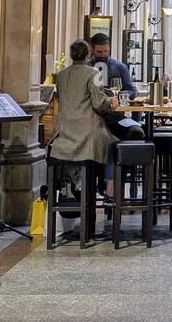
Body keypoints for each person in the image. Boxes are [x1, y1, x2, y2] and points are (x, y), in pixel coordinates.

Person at [50, 39, 120, 198]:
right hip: (87, 135)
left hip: (63, 134)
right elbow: (99, 104)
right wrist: (111, 101)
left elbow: (61, 98)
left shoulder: (61, 75)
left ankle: (75, 180)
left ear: (71, 55)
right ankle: (107, 186)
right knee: (115, 144)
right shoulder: (95, 73)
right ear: (89, 54)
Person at [89, 31, 137, 96]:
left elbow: (133, 92)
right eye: (99, 52)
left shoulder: (121, 68)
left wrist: (118, 93)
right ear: (92, 50)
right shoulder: (87, 68)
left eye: (106, 51)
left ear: (109, 48)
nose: (103, 55)